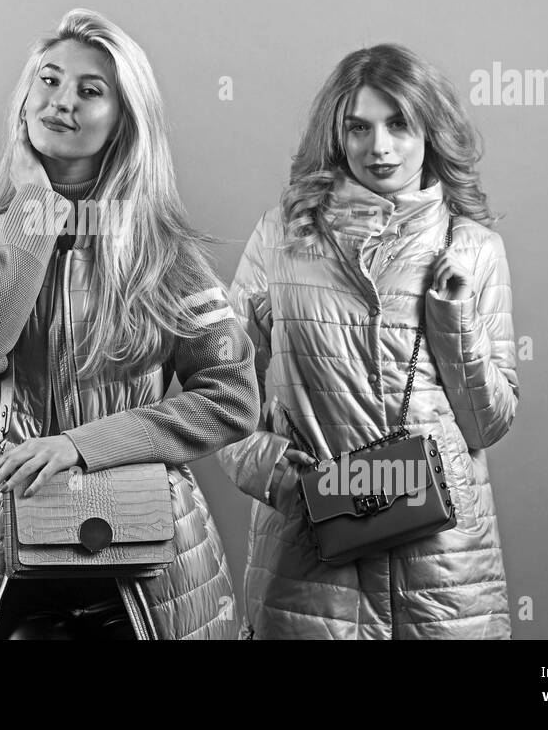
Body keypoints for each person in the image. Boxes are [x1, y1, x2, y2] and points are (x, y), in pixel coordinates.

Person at [0, 8, 259, 640]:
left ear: (123, 121)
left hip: (146, 574)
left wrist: (80, 447)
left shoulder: (165, 257)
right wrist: (33, 212)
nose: (62, 102)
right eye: (48, 81)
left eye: (90, 90)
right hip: (4, 573)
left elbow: (233, 400)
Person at [218, 43, 519, 640]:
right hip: (309, 561)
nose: (379, 147)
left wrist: (452, 312)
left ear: (430, 131)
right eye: (359, 127)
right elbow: (221, 392)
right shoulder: (281, 236)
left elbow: (488, 424)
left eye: (399, 125)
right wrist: (278, 474)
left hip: (443, 565)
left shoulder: (473, 248)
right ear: (337, 135)